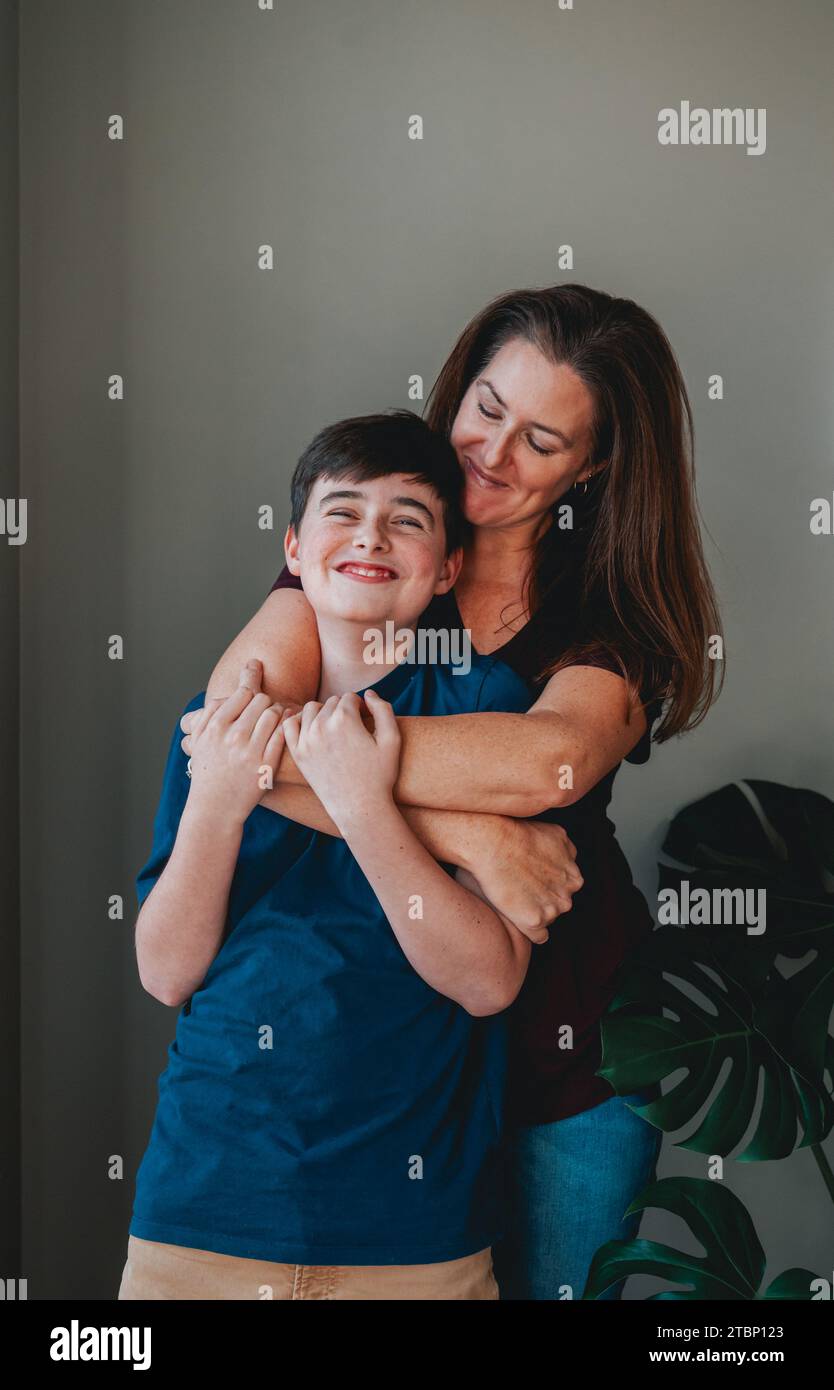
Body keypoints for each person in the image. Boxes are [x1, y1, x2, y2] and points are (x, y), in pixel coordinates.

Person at [187, 284, 724, 1299]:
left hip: (560, 1068)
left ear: (593, 464)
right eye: (486, 407)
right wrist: (479, 841)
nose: (493, 452)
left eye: (541, 440)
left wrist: (365, 787)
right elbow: (225, 725)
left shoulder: (610, 609)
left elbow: (546, 763)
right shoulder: (373, 544)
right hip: (388, 1058)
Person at [119, 410, 549, 1301]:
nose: (370, 536)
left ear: (447, 569)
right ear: (295, 548)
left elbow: (488, 980)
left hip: (413, 1226)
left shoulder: (486, 713)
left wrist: (362, 802)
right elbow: (165, 970)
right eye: (343, 512)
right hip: (207, 1206)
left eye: (408, 519)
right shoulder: (219, 725)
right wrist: (226, 795)